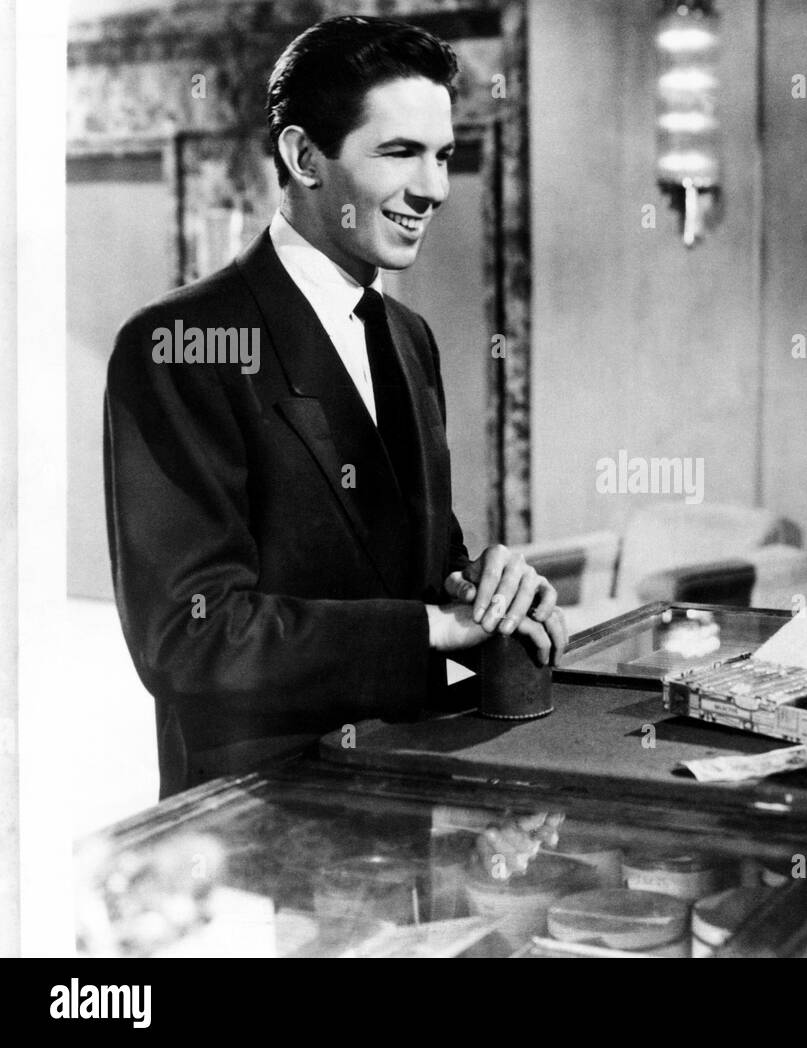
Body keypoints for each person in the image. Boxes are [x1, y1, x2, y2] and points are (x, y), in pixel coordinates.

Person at [104, 16, 566, 799]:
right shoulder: (179, 344)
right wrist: (430, 629)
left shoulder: (410, 337)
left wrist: (481, 589)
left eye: (444, 155)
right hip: (259, 826)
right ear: (302, 156)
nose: (434, 188)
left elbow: (415, 565)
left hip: (407, 793)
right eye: (400, 153)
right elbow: (191, 635)